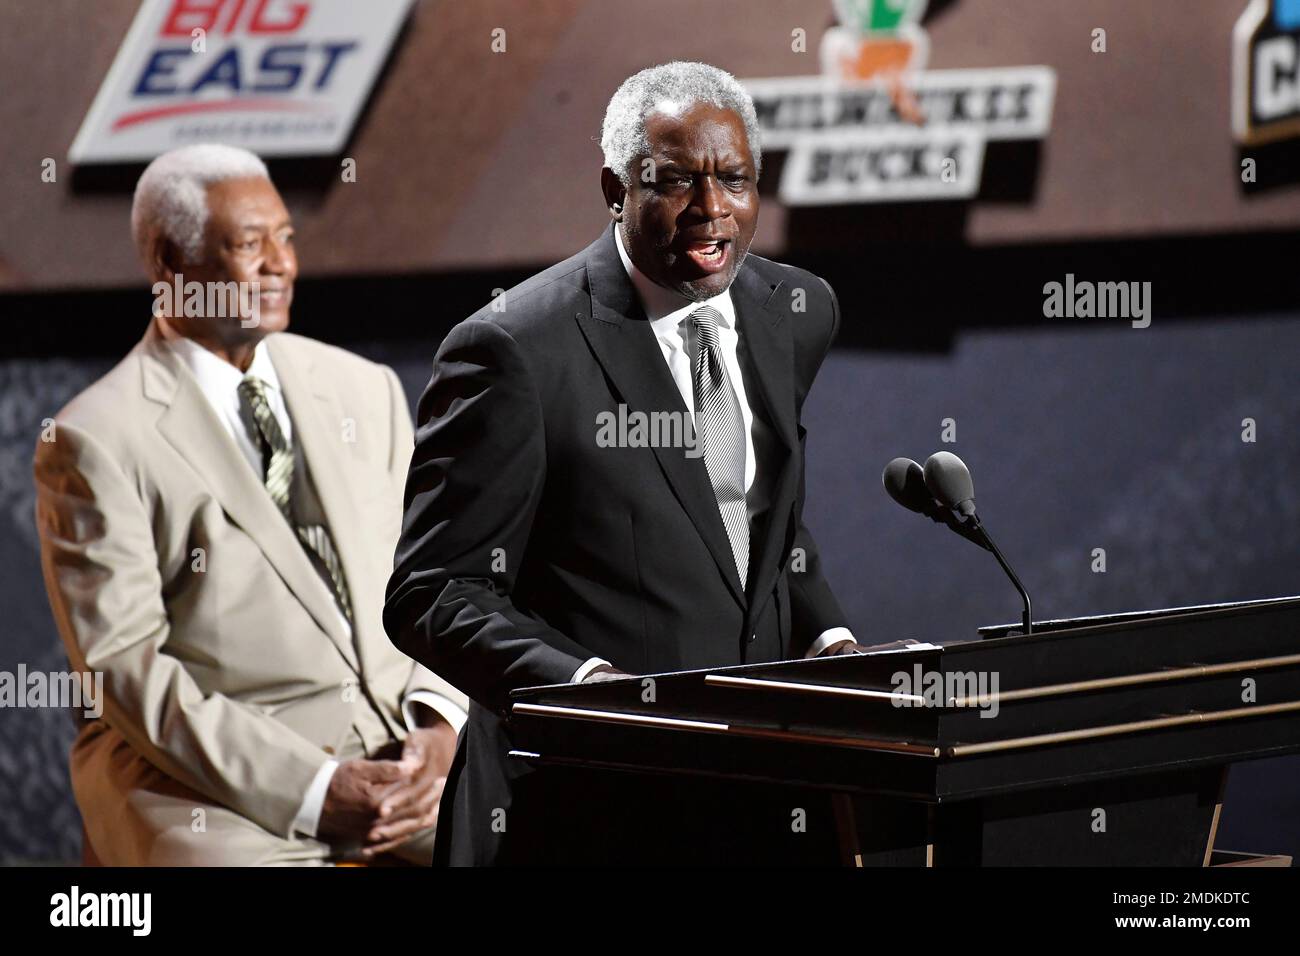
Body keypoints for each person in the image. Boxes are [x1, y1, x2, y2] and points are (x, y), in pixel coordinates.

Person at [385, 62, 865, 865]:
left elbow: (754, 513)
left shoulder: (796, 310)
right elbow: (433, 591)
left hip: (762, 799)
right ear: (615, 189)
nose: (712, 211)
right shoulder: (513, 350)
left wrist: (831, 639)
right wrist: (587, 688)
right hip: (578, 807)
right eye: (675, 182)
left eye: (735, 180)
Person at [34, 144, 467, 865]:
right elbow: (125, 669)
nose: (280, 264)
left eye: (287, 238)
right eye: (248, 244)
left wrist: (442, 725)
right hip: (218, 788)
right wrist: (314, 788)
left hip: (408, 754)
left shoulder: (365, 389)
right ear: (171, 262)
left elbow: (436, 579)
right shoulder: (94, 440)